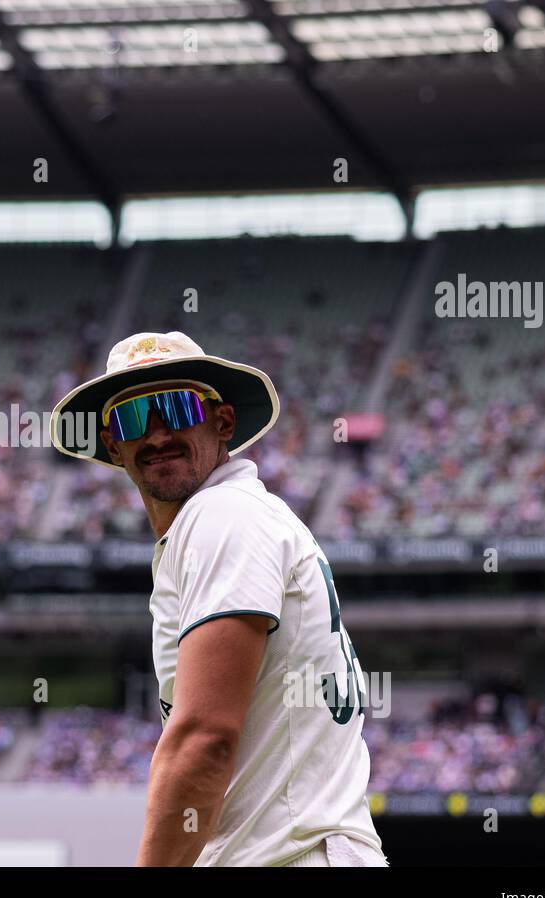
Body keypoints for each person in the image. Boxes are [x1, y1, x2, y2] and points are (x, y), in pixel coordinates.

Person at [50, 331, 386, 867]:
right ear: (114, 446)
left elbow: (206, 739)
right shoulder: (233, 516)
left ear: (223, 422)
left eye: (176, 407)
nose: (156, 432)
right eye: (133, 419)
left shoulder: (221, 514)